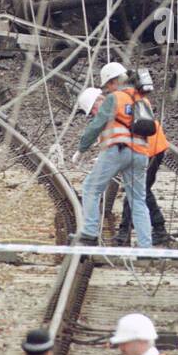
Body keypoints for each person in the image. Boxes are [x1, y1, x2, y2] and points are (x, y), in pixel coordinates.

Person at [75, 62, 153, 248]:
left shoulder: (114, 98)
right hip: (141, 154)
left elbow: (96, 125)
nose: (107, 89)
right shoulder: (143, 99)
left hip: (117, 151)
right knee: (138, 201)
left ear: (113, 81)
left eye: (108, 85)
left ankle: (89, 233)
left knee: (90, 188)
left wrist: (81, 149)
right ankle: (146, 246)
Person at [116, 68, 169, 248]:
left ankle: (127, 233)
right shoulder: (139, 98)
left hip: (148, 150)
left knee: (138, 191)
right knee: (140, 190)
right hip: (155, 147)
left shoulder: (122, 100)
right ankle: (153, 230)